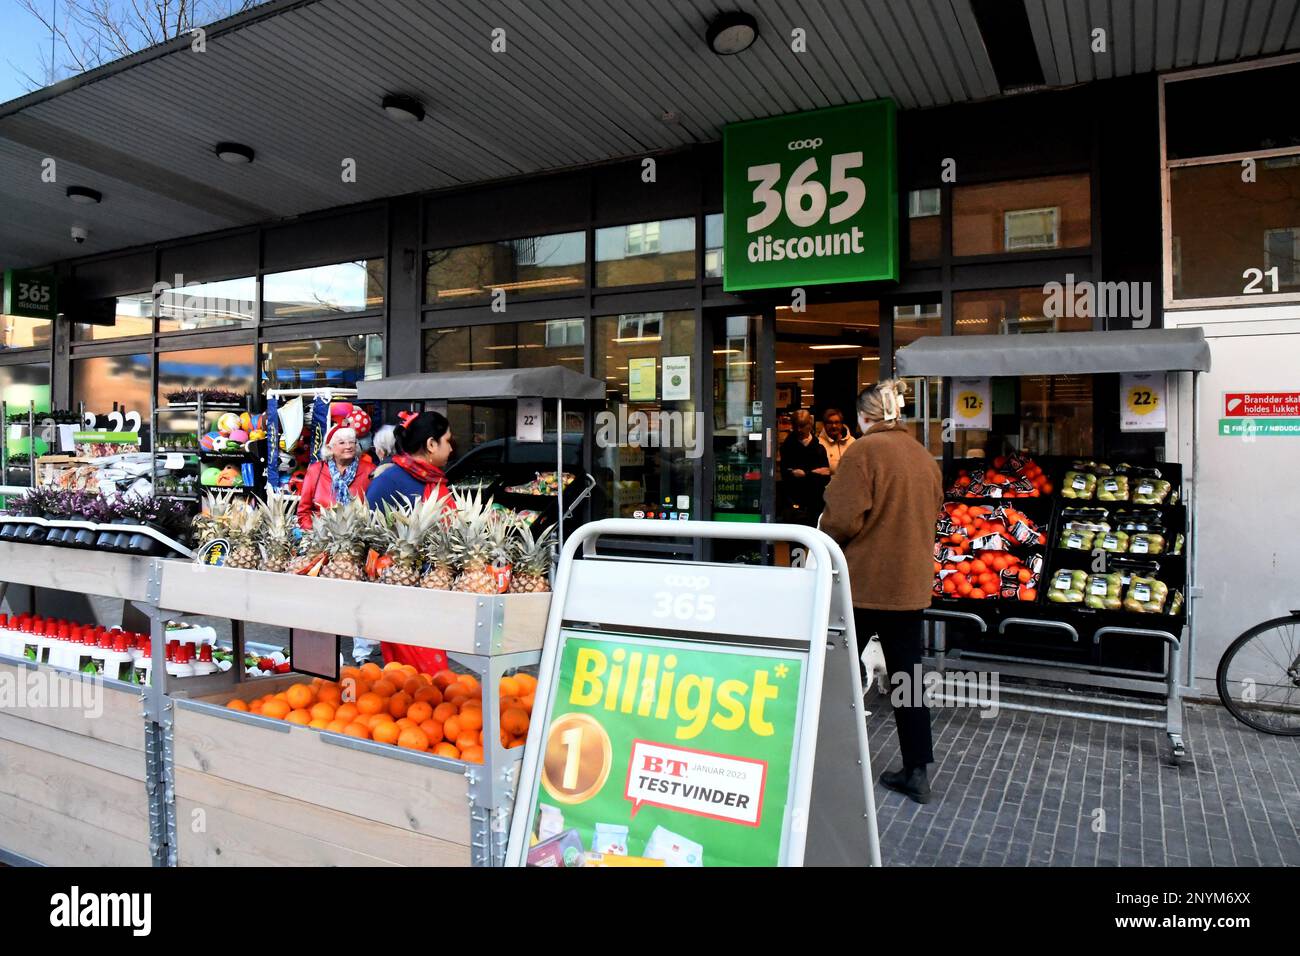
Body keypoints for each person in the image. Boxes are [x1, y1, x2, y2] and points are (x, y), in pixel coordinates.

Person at [819, 379, 943, 805]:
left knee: (837, 672)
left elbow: (842, 520)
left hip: (864, 584)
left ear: (864, 417)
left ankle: (825, 761)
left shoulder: (864, 452)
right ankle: (917, 771)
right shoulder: (923, 456)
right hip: (909, 585)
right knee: (909, 678)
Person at [364, 410, 456, 675]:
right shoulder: (389, 481)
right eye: (448, 441)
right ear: (431, 444)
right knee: (421, 676)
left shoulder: (433, 479)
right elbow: (367, 535)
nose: (451, 448)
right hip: (401, 597)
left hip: (433, 592)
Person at [296, 425, 375, 530]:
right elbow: (303, 512)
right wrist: (316, 531)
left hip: (358, 537)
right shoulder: (315, 470)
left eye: (352, 442)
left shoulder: (369, 470)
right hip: (321, 538)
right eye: (342, 443)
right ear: (330, 448)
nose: (348, 446)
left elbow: (375, 509)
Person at [779, 409, 831, 526]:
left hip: (815, 501)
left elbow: (825, 476)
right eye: (796, 426)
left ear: (810, 425)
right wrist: (814, 473)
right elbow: (786, 475)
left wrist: (805, 474)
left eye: (802, 426)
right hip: (794, 500)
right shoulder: (787, 447)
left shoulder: (819, 448)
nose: (799, 430)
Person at [818, 407, 856, 475]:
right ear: (824, 425)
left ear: (842, 424)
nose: (834, 426)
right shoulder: (818, 444)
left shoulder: (852, 442)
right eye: (830, 422)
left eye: (837, 422)